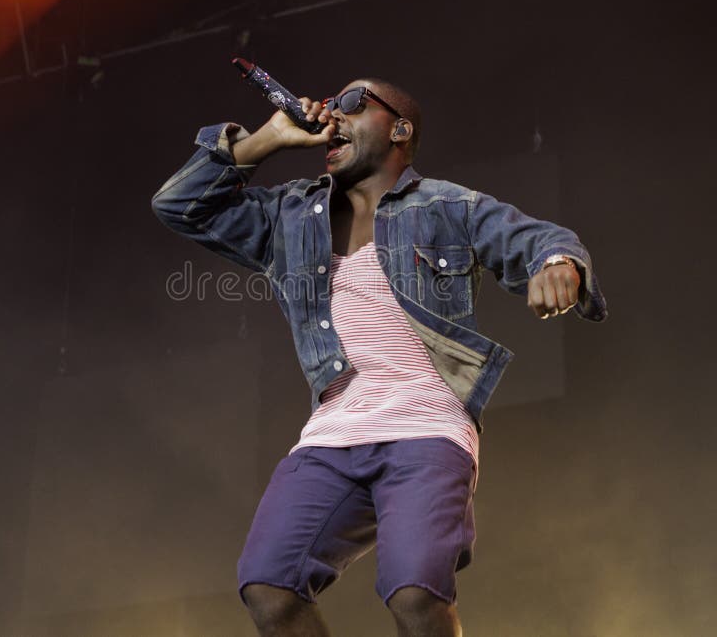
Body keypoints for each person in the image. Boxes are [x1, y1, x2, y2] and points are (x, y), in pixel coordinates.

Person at [151, 77, 607, 637]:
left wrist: (559, 263)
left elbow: (539, 238)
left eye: (351, 103)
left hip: (428, 428)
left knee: (414, 593)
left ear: (399, 127)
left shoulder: (445, 205)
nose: (332, 114)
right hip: (332, 435)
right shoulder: (289, 216)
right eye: (329, 104)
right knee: (269, 585)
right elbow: (179, 205)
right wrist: (265, 139)